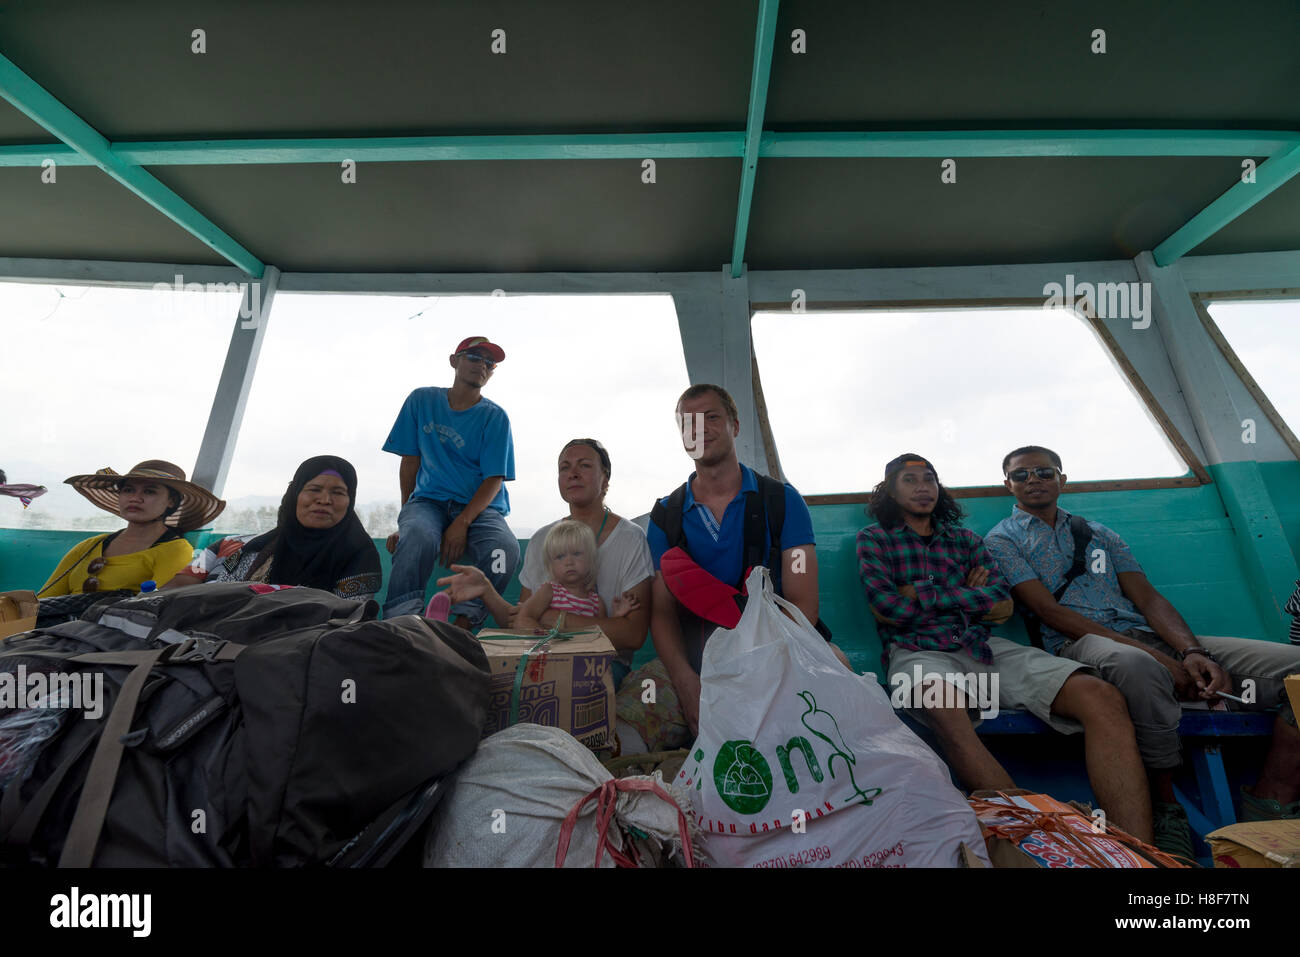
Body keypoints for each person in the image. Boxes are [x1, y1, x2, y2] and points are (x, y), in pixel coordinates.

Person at [985, 445, 1300, 850]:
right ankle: (1164, 804)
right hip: (1077, 643)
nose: (1033, 481)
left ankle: (1270, 796)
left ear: (1062, 480)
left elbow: (1148, 599)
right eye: (1021, 475)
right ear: (1007, 484)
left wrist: (1190, 653)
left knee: (1296, 669)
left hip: (1141, 634)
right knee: (1137, 666)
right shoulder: (1002, 540)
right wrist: (1162, 660)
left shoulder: (1099, 533)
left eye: (1044, 473)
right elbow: (1050, 612)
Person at [857, 453, 1153, 841]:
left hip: (982, 646)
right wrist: (966, 593)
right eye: (909, 480)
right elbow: (887, 608)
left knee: (1100, 696)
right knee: (942, 706)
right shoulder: (875, 539)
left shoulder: (965, 540)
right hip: (918, 650)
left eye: (929, 478)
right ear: (890, 492)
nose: (923, 487)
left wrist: (922, 593)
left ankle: (1137, 853)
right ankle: (1040, 842)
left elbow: (1002, 605)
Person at [615, 384, 846, 755]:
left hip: (777, 651)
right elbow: (661, 614)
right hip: (696, 659)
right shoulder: (664, 518)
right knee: (624, 728)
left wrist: (752, 676)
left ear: (735, 426)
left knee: (839, 669)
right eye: (688, 423)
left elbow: (804, 605)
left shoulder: (782, 501)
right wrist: (687, 683)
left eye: (711, 417)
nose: (700, 429)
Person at [436, 438, 654, 687]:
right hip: (541, 661)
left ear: (605, 479)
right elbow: (519, 623)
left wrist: (552, 619)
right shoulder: (542, 539)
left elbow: (633, 634)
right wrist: (486, 589)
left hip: (601, 666)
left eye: (584, 465)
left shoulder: (630, 538)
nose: (572, 473)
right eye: (564, 467)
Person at [381, 336, 519, 629]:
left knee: (504, 551)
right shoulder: (422, 400)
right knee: (417, 535)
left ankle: (462, 626)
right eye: (474, 357)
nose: (482, 364)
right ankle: (402, 625)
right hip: (428, 502)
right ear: (454, 361)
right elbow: (410, 462)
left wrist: (463, 522)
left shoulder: (495, 417)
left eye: (489, 362)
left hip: (481, 509)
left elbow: (494, 479)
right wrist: (406, 520)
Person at [162, 455, 382, 602]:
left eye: (338, 492)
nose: (324, 500)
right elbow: (179, 585)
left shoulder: (358, 556)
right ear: (295, 495)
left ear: (349, 501)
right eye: (314, 489)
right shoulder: (230, 545)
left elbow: (346, 620)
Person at [37, 460, 225, 597]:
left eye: (149, 491)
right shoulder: (90, 545)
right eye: (128, 490)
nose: (135, 498)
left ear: (171, 501)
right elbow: (45, 600)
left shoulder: (175, 549)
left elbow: (155, 606)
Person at [509, 520, 639, 630]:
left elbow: (602, 635)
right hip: (552, 656)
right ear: (551, 566)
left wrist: (617, 616)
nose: (569, 562)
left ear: (591, 560)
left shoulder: (596, 603)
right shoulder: (549, 591)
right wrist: (547, 643)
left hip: (584, 659)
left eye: (576, 554)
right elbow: (522, 619)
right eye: (560, 556)